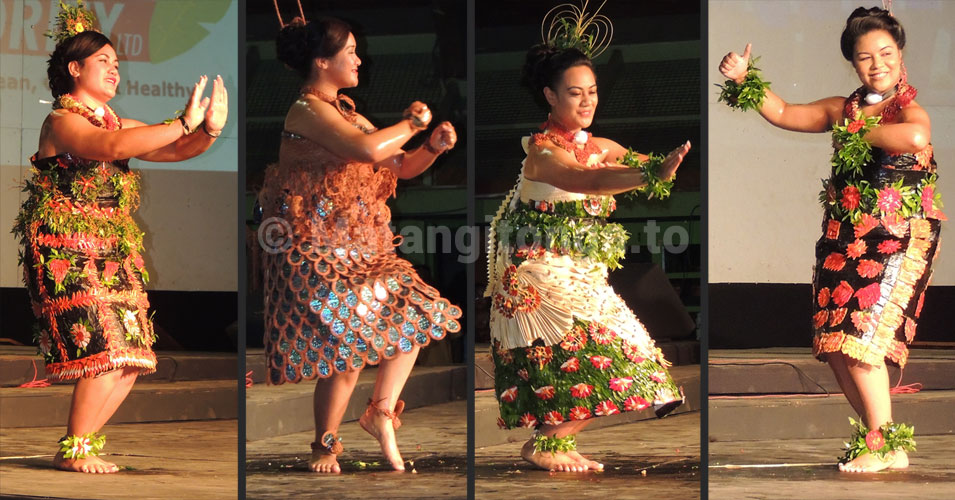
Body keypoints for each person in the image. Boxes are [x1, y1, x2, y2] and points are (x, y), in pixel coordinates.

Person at [718, 6, 941, 472]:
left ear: (901, 55)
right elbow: (781, 111)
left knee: (861, 338)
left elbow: (916, 136)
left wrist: (858, 129)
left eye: (886, 53)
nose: (877, 64)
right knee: (835, 343)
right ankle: (882, 440)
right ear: (854, 64)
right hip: (843, 238)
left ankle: (881, 444)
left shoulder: (905, 109)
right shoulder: (842, 107)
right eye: (865, 57)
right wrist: (743, 79)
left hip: (896, 237)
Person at [12, 3, 228, 474]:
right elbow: (110, 149)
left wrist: (208, 130)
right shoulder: (64, 122)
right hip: (64, 251)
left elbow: (172, 148)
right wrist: (184, 122)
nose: (114, 69)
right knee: (106, 353)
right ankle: (75, 449)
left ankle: (81, 445)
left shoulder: (114, 120)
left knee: (133, 359)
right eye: (104, 61)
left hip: (112, 250)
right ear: (75, 69)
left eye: (116, 63)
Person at [484, 18, 691, 471]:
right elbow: (589, 180)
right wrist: (648, 174)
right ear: (551, 97)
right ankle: (548, 444)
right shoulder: (542, 153)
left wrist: (662, 166)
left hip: (579, 271)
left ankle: (551, 442)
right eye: (575, 92)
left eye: (592, 90)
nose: (587, 100)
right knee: (609, 356)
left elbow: (639, 164)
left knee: (636, 359)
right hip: (534, 270)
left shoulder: (598, 143)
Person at [258, 16, 462, 474]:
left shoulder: (348, 112)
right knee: (346, 356)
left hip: (360, 252)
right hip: (313, 252)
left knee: (415, 317)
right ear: (321, 61)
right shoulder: (306, 111)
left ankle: (380, 412)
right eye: (349, 50)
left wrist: (431, 146)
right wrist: (411, 121)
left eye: (356, 49)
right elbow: (367, 150)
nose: (358, 58)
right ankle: (325, 446)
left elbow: (398, 165)